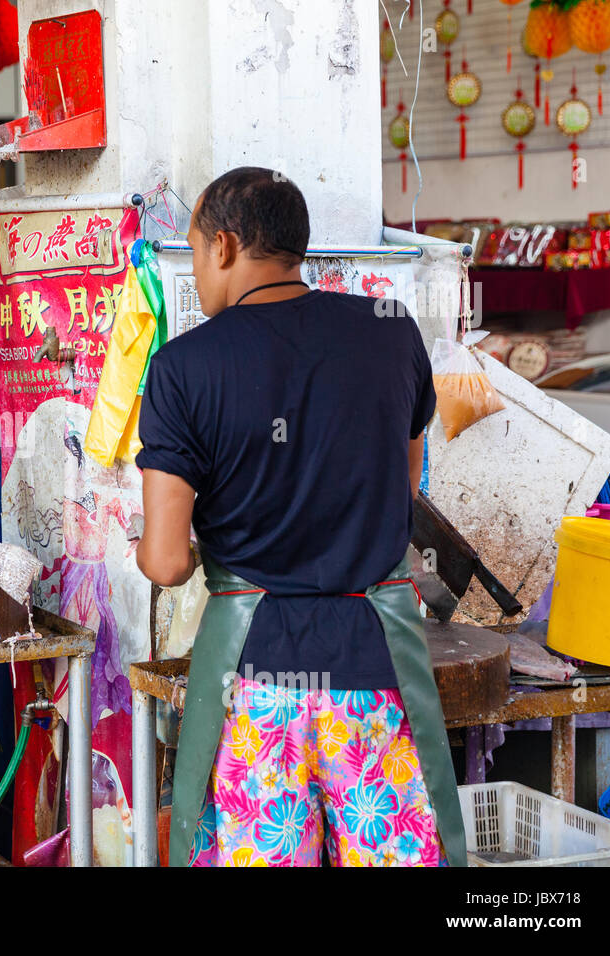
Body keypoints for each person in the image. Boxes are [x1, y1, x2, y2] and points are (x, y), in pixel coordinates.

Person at [134, 167, 467, 868]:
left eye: (195, 252)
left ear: (223, 246)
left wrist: (205, 549)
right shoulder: (389, 331)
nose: (198, 272)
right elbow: (402, 487)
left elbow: (164, 561)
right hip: (376, 672)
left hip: (254, 685)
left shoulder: (183, 367)